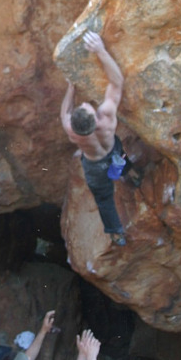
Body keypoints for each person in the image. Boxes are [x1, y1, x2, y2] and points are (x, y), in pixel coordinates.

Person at [60, 29, 139, 247]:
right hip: (112, 150)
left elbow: (65, 112)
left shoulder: (71, 129)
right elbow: (116, 82)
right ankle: (132, 174)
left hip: (94, 167)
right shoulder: (106, 118)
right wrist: (100, 50)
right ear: (95, 118)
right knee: (120, 158)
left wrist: (71, 88)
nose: (86, 103)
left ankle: (116, 234)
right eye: (87, 106)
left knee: (104, 199)